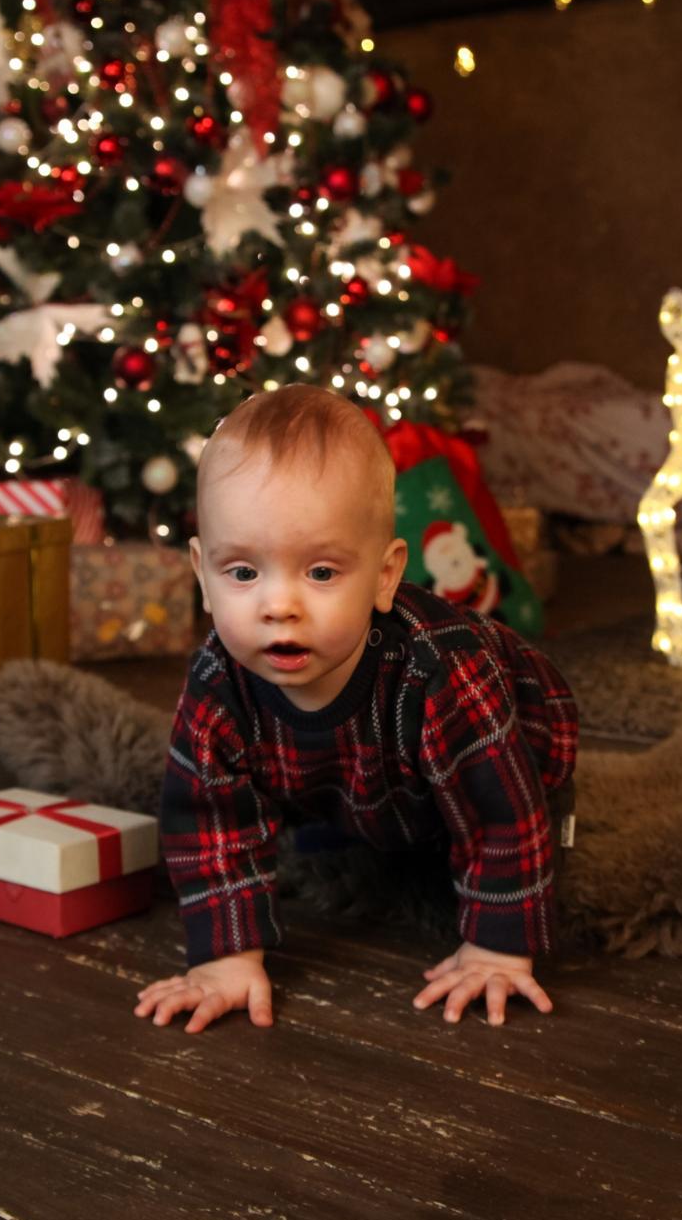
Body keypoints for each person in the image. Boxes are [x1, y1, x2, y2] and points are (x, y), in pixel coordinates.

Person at [136, 385, 578, 1033]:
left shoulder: (442, 675)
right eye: (242, 573)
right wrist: (226, 958)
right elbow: (209, 822)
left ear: (384, 575)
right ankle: (349, 812)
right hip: (360, 777)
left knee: (502, 814)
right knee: (325, 806)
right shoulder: (218, 683)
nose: (278, 605)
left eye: (320, 573)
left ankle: (400, 827)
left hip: (511, 751)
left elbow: (501, 815)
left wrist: (496, 946)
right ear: (203, 574)